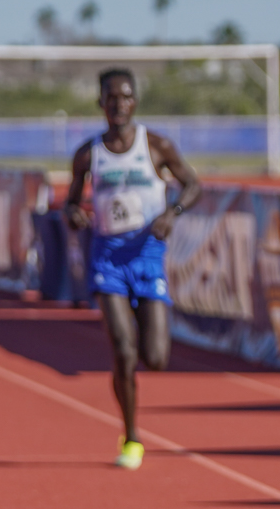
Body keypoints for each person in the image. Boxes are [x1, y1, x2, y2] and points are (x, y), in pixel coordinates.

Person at [63, 67, 204, 469]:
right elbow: (70, 203)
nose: (118, 104)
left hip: (147, 256)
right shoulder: (88, 154)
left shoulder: (156, 145)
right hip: (108, 259)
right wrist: (73, 213)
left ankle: (134, 379)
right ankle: (131, 436)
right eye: (111, 97)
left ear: (135, 101)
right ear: (100, 103)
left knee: (155, 356)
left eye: (125, 97)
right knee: (124, 351)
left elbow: (193, 186)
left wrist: (172, 213)